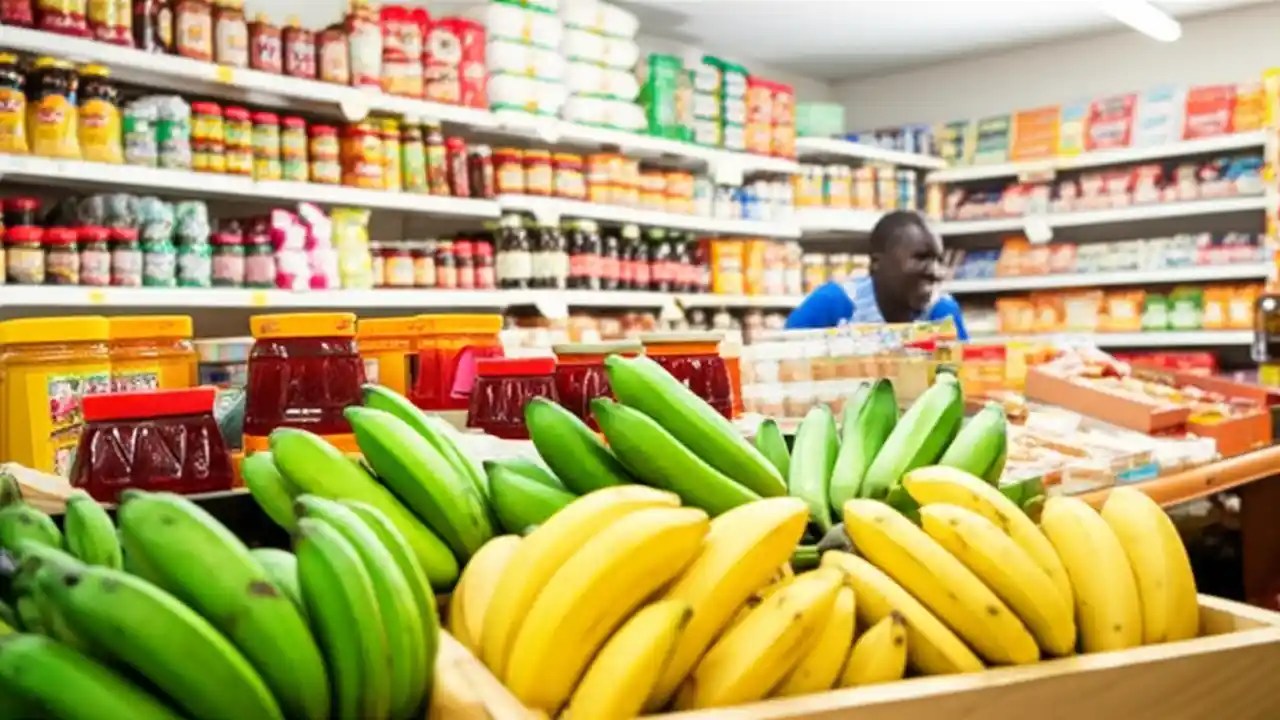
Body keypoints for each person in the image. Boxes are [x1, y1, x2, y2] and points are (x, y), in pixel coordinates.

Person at [785, 210, 968, 339]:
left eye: (939, 260)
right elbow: (780, 360)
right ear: (877, 263)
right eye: (921, 258)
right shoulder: (834, 304)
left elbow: (962, 381)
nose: (935, 272)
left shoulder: (942, 312)